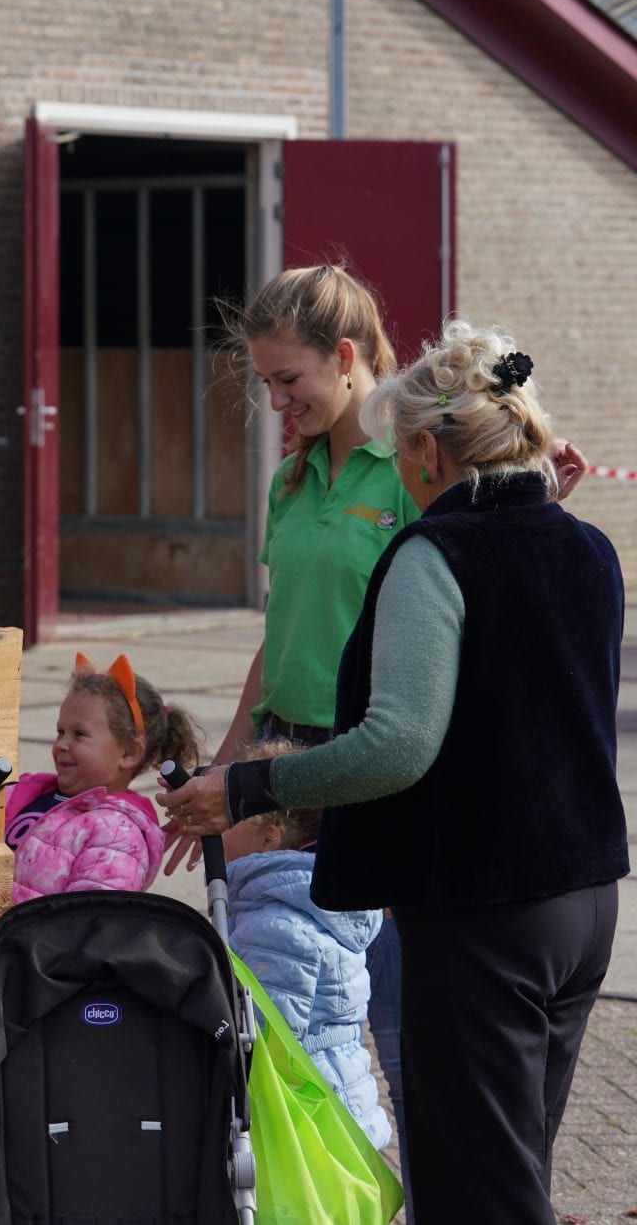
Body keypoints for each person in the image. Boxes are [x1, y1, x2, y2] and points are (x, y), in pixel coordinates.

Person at [158, 319, 626, 1224]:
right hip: (585, 900)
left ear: (423, 450)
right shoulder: (588, 548)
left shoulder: (435, 556)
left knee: (473, 1198)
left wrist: (249, 788)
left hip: (485, 911)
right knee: (516, 1172)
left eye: (400, 453)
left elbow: (397, 743)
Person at [223, 736, 390, 1150]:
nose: (217, 828)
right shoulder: (294, 902)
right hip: (330, 1095)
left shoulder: (279, 922)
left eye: (230, 818)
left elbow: (268, 1038)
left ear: (270, 836)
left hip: (309, 1115)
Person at [6, 652, 202, 903]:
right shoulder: (35, 792)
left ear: (129, 752)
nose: (62, 744)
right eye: (60, 731)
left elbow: (90, 921)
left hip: (34, 941)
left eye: (79, 734)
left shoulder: (118, 836)